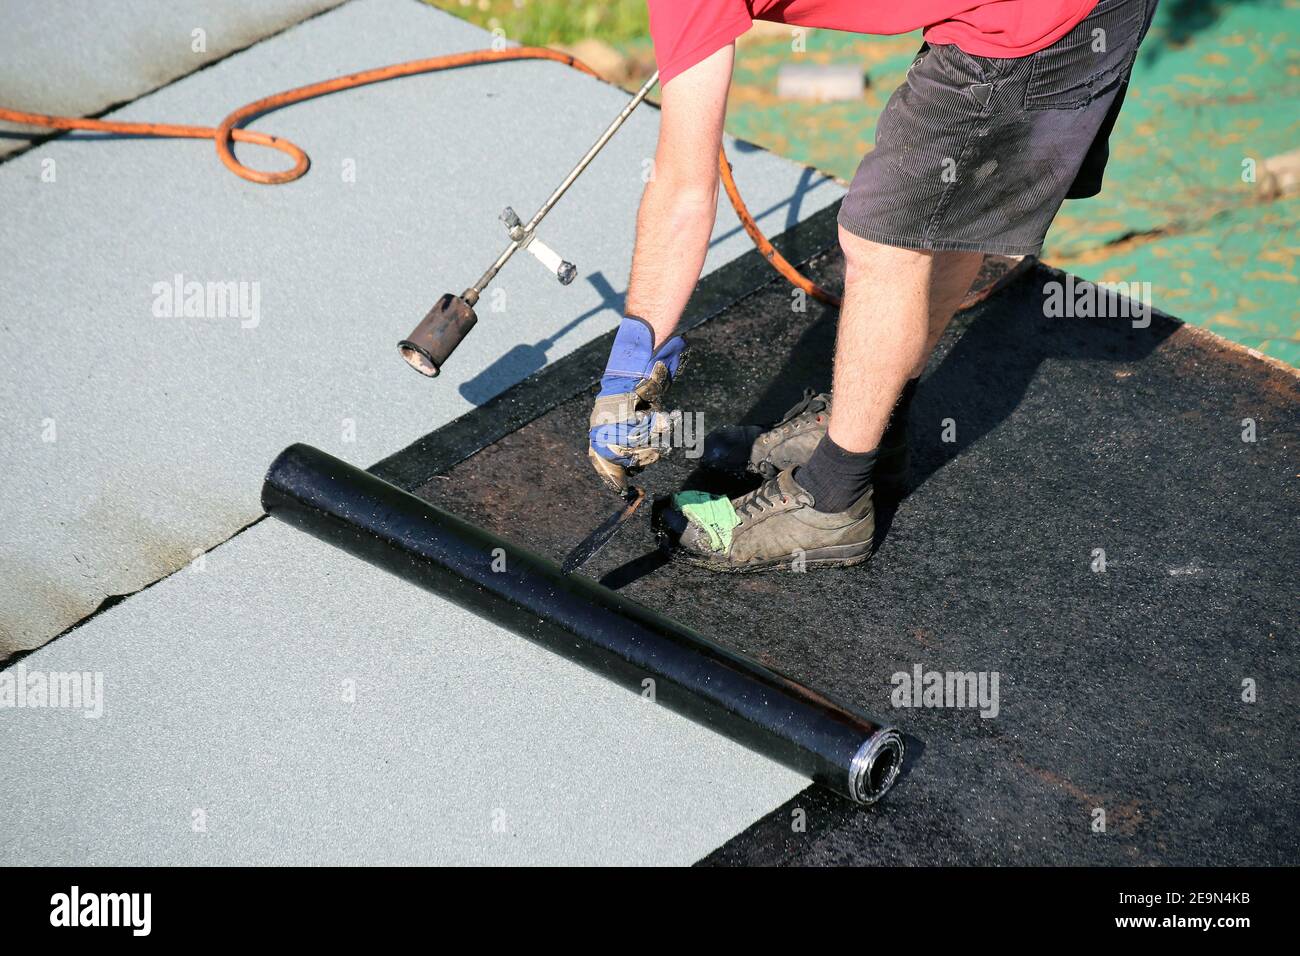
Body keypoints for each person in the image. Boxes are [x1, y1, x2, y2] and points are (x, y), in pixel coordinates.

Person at [588, 0, 1158, 572]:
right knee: (945, 209)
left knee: (883, 236)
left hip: (1041, 20)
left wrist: (630, 369)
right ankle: (875, 430)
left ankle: (834, 499)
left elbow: (686, 193)